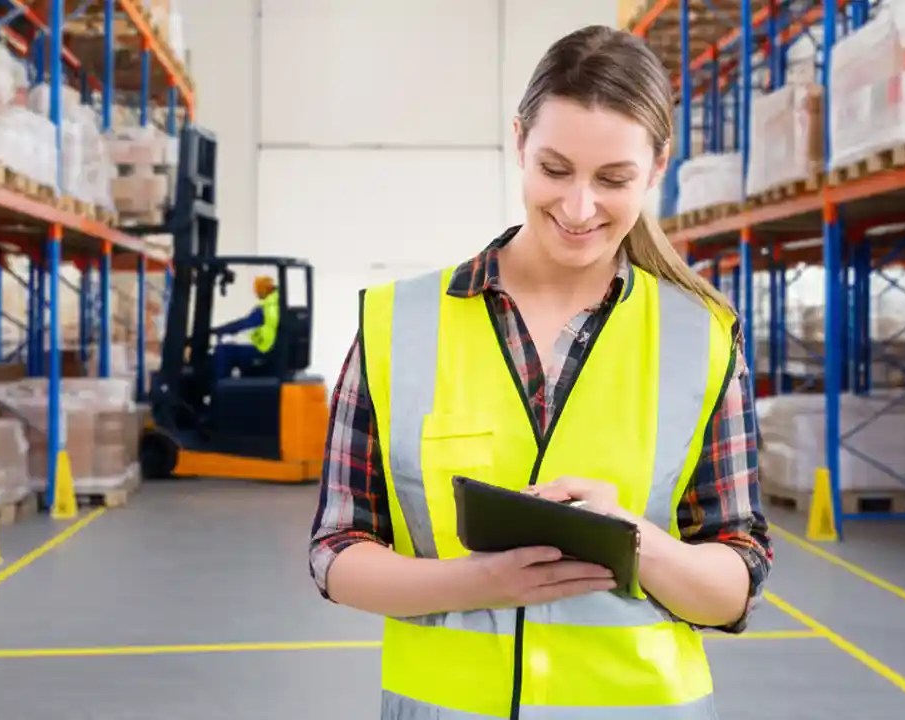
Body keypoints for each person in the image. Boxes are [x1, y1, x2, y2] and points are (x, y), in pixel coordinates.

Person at [308, 25, 772, 720]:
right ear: (519, 141)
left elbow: (735, 584)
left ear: (657, 167)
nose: (579, 208)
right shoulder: (396, 323)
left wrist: (631, 538)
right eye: (555, 170)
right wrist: (474, 582)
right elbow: (337, 553)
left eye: (613, 179)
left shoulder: (701, 336)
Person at [210, 275, 280, 379]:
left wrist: (220, 330)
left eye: (257, 290)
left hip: (264, 349)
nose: (256, 293)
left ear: (264, 289)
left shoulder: (268, 306)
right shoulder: (275, 302)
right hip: (267, 346)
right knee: (231, 345)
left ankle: (218, 387)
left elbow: (245, 324)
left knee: (223, 351)